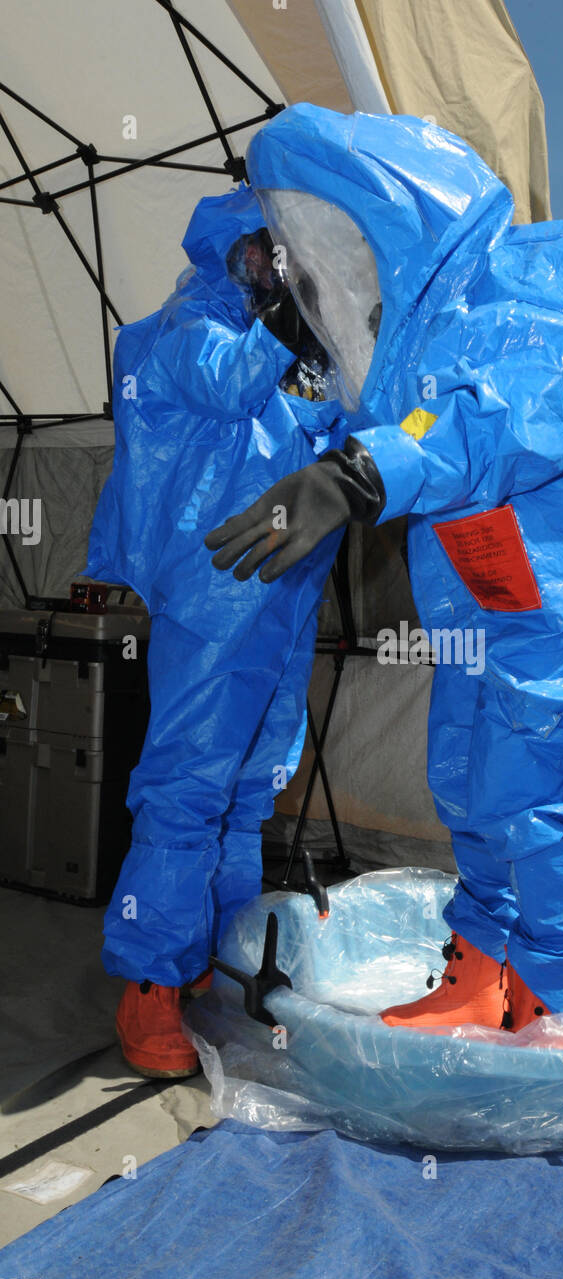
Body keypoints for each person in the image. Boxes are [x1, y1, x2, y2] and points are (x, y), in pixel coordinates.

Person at [206, 105, 563, 1036]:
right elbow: (422, 422)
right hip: (486, 611)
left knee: (537, 815)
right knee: (471, 788)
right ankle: (476, 977)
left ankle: (547, 1006)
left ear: (385, 217)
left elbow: (494, 416)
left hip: (555, 624)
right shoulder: (420, 343)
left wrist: (358, 474)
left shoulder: (516, 310)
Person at [87, 184, 355, 1077]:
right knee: (187, 788)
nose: (274, 264)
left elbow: (337, 431)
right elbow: (229, 381)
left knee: (248, 795)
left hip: (279, 599)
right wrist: (300, 312)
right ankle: (149, 988)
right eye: (262, 248)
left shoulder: (283, 358)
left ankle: (218, 961)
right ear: (223, 248)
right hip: (210, 598)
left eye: (284, 250)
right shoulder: (179, 333)